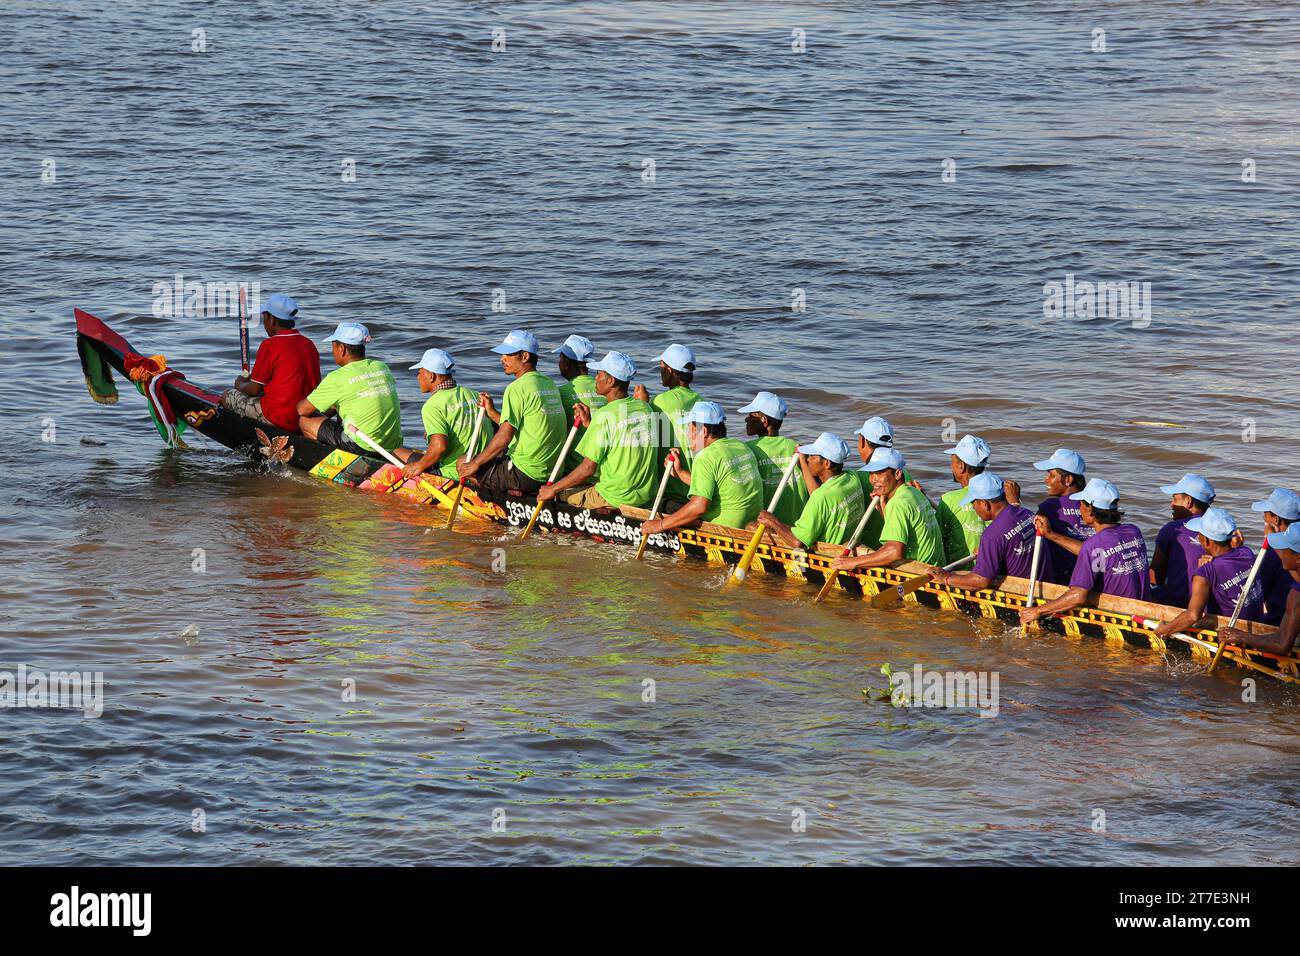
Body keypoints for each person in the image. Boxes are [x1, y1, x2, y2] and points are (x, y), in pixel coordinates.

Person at [535, 351, 657, 510]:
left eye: (599, 374)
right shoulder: (645, 408)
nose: (595, 378)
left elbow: (588, 469)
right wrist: (590, 424)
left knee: (560, 495)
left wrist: (552, 489)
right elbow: (619, 436)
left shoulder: (605, 415)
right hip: (646, 495)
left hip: (614, 496)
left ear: (611, 381)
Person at [1019, 478, 1149, 626]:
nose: (1079, 508)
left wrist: (1038, 611)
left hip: (1119, 616)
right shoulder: (1133, 531)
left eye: (1081, 503)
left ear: (1090, 510)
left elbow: (1078, 596)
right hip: (1142, 609)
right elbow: (1098, 552)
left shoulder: (1094, 545)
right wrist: (1051, 535)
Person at [459, 330, 568, 494]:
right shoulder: (549, 383)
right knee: (491, 453)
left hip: (527, 474)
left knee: (463, 462)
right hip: (553, 471)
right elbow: (524, 424)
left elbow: (505, 435)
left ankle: (497, 501)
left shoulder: (516, 388)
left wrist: (475, 464)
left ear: (525, 357)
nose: (502, 359)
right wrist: (491, 412)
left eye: (508, 354)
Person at [639, 402, 763, 534]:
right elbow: (716, 486)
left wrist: (660, 525)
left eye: (690, 430)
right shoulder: (740, 446)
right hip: (750, 522)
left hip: (725, 527)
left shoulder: (705, 456)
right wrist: (680, 473)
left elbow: (699, 507)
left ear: (703, 431)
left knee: (663, 504)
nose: (687, 435)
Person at [923, 471, 1052, 590]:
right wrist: (989, 553)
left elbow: (981, 581)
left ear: (985, 504)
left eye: (973, 503)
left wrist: (946, 578)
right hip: (1044, 582)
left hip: (1022, 591)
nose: (973, 508)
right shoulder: (1026, 513)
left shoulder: (992, 535)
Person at [1152, 508, 1267, 639]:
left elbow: (1193, 615)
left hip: (1229, 635)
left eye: (1199, 534)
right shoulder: (1246, 552)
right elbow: (1231, 559)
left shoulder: (1204, 572)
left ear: (1206, 541)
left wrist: (1163, 630)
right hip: (1256, 627)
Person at [830, 448, 945, 571]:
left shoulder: (898, 503)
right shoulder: (911, 491)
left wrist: (852, 563)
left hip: (919, 570)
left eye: (879, 473)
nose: (873, 480)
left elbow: (894, 552)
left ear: (897, 474)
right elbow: (899, 529)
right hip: (935, 565)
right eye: (871, 473)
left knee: (850, 546)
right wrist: (882, 505)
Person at [220, 292, 321, 432]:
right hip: (302, 415)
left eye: (264, 317)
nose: (264, 323)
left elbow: (254, 389)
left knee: (228, 395)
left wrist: (239, 385)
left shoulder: (270, 344)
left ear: (272, 319)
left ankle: (245, 436)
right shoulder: (309, 344)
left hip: (278, 417)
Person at [297, 322, 402, 454]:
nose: (332, 351)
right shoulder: (381, 367)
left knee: (305, 421)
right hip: (390, 443)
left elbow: (303, 410)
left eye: (333, 346)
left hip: (362, 445)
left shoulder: (337, 377)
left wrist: (298, 403)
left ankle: (322, 458)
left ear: (342, 348)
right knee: (340, 406)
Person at [748, 432, 864, 550]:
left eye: (812, 457)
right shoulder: (852, 478)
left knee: (751, 527)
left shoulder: (821, 496)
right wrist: (803, 462)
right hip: (842, 544)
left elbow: (798, 542)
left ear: (826, 463)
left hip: (823, 554)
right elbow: (820, 498)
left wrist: (772, 521)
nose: (809, 459)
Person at [395, 348, 494, 481]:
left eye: (419, 373)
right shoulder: (474, 394)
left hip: (453, 472)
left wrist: (418, 466)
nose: (417, 377)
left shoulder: (432, 406)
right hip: (481, 465)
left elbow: (440, 447)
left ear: (431, 376)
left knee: (395, 452)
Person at [632, 344, 702, 503]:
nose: (660, 373)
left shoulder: (660, 402)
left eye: (661, 368)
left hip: (671, 488)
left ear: (669, 371)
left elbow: (639, 435)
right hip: (697, 486)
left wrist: (641, 405)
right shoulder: (704, 403)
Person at [1217, 523, 1300, 656]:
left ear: (1297, 558)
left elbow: (1282, 645)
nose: (1279, 551)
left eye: (1283, 549)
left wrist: (1241, 636)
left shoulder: (1297, 595)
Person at [844, 416, 920, 549]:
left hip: (873, 548)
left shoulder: (857, 478)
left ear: (862, 442)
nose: (874, 479)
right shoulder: (903, 475)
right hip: (900, 544)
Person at [738, 391, 808, 527]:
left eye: (751, 415)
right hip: (796, 524)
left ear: (764, 421)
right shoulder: (796, 447)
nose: (746, 419)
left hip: (768, 526)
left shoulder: (748, 449)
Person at [1150, 473, 1215, 609]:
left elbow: (1155, 577)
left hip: (1178, 604)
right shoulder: (1220, 527)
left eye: (1175, 499)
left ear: (1188, 501)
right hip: (1208, 605)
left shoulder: (1171, 530)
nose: (1171, 504)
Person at [1027, 448, 1092, 584]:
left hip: (1062, 579)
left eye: (1051, 475)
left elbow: (1027, 536)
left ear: (1068, 480)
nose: (1046, 480)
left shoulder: (1050, 507)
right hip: (1092, 576)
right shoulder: (1094, 505)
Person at [553, 334, 607, 471]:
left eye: (560, 358)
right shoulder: (606, 389)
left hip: (577, 468)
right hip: (604, 464)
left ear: (566, 363)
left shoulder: (561, 393)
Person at [935, 434, 992, 563]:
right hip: (991, 567)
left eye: (952, 463)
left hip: (960, 570)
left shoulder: (949, 500)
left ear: (961, 466)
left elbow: (938, 539)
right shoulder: (998, 494)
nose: (951, 468)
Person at [1251, 488, 1300, 625]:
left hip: (1280, 620)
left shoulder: (1275, 552)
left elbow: (1259, 592)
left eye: (1265, 514)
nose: (1263, 517)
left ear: (1276, 519)